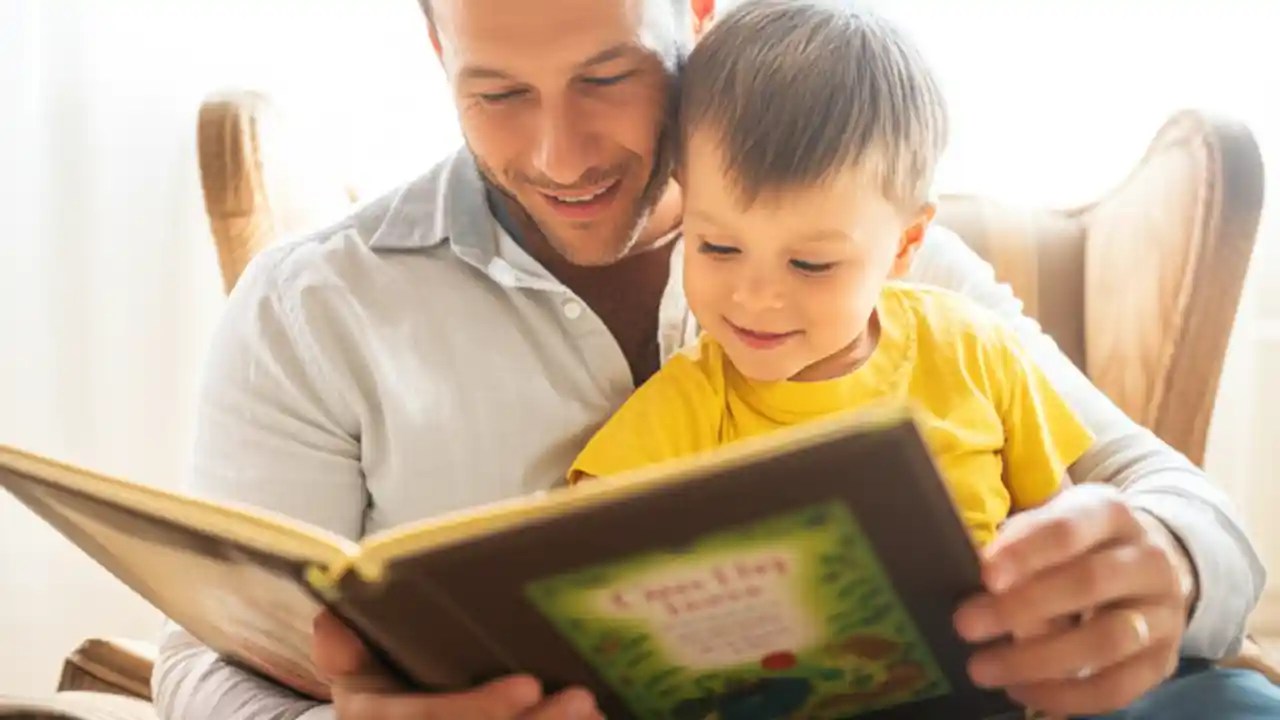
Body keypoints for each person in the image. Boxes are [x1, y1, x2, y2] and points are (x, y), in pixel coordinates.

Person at [151, 0, 1274, 718]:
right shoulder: (312, 308)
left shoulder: (880, 250)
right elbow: (200, 662)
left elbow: (1174, 498)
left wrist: (1168, 565)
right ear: (437, 48)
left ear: (695, 14)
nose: (559, 155)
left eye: (608, 76)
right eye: (496, 94)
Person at [569, 0, 1096, 561]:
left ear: (905, 244)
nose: (754, 297)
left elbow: (1068, 541)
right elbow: (570, 547)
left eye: (810, 264)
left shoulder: (976, 353)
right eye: (718, 247)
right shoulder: (688, 405)